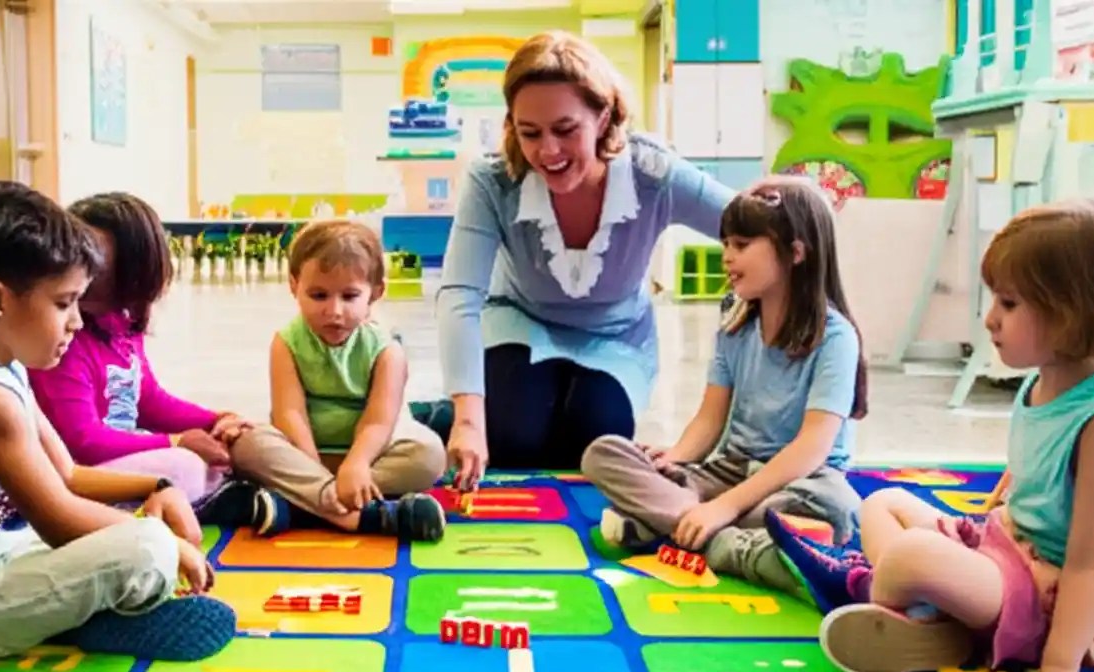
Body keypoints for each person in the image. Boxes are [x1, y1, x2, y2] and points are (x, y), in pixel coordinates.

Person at [774, 199, 1094, 672]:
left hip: (1069, 604)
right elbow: (1030, 467)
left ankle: (871, 585)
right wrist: (989, 519)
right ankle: (936, 624)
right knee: (881, 505)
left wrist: (1059, 666)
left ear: (1076, 313)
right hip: (1015, 552)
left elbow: (1091, 566)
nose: (990, 319)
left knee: (909, 556)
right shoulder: (1044, 379)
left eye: (1010, 305)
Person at [0, 181, 234, 663]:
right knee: (145, 549)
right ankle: (92, 620)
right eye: (64, 303)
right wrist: (159, 539)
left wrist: (157, 486)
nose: (77, 322)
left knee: (124, 531)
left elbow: (67, 474)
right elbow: (59, 518)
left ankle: (88, 612)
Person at [430, 30, 735, 482]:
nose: (547, 151)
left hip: (616, 336)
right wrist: (469, 419)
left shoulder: (652, 175)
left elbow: (747, 222)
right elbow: (459, 293)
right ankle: (436, 414)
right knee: (512, 437)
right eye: (529, 132)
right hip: (520, 321)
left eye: (565, 130)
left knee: (594, 442)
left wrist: (792, 208)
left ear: (603, 115)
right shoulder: (494, 180)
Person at [582, 177, 867, 598]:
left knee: (835, 509)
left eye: (741, 245)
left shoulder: (835, 337)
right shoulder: (736, 322)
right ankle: (733, 542)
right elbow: (709, 417)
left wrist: (725, 507)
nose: (727, 257)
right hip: (730, 471)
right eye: (726, 244)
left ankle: (668, 527)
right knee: (602, 452)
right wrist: (676, 457)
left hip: (802, 480)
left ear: (796, 252)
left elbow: (812, 448)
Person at [29, 192, 284, 533]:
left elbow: (148, 400)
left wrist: (217, 420)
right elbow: (82, 439)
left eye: (96, 260)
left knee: (244, 437)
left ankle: (232, 494)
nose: (82, 267)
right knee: (185, 466)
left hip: (124, 452)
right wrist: (175, 441)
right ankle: (219, 501)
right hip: (84, 472)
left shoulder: (119, 323)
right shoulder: (63, 341)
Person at [230, 219, 448, 541]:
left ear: (376, 293)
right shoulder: (286, 342)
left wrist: (357, 464)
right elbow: (290, 414)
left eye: (349, 296)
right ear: (294, 286)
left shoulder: (387, 350)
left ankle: (304, 504)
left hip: (372, 455)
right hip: (307, 453)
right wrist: (316, 470)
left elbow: (379, 421)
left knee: (429, 455)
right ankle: (352, 510)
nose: (334, 311)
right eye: (318, 295)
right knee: (247, 446)